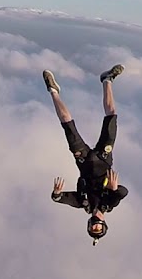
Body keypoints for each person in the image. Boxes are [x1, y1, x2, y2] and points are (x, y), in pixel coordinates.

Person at [43, 64, 129, 245]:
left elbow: (60, 199)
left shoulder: (84, 203)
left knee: (68, 126)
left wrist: (56, 193)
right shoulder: (109, 203)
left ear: (89, 223)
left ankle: (53, 91)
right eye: (99, 227)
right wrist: (114, 189)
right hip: (104, 159)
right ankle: (107, 80)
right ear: (104, 223)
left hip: (83, 161)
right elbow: (123, 192)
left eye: (93, 227)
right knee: (111, 115)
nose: (96, 223)